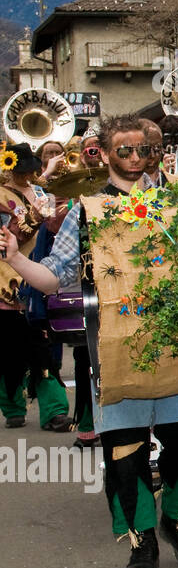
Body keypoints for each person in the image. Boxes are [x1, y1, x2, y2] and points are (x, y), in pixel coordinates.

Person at [0, 114, 178, 568]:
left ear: (154, 153)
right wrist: (14, 257)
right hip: (116, 345)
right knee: (124, 455)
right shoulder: (86, 211)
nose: (134, 159)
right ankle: (142, 541)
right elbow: (54, 277)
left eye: (143, 150)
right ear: (105, 154)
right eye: (124, 151)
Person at [0, 143, 72, 430]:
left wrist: (60, 215)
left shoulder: (39, 191)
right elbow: (6, 237)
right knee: (6, 350)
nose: (27, 174)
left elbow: (52, 226)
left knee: (43, 347)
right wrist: (35, 216)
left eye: (30, 169)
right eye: (21, 169)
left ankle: (54, 410)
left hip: (40, 274)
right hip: (7, 281)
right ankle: (13, 407)